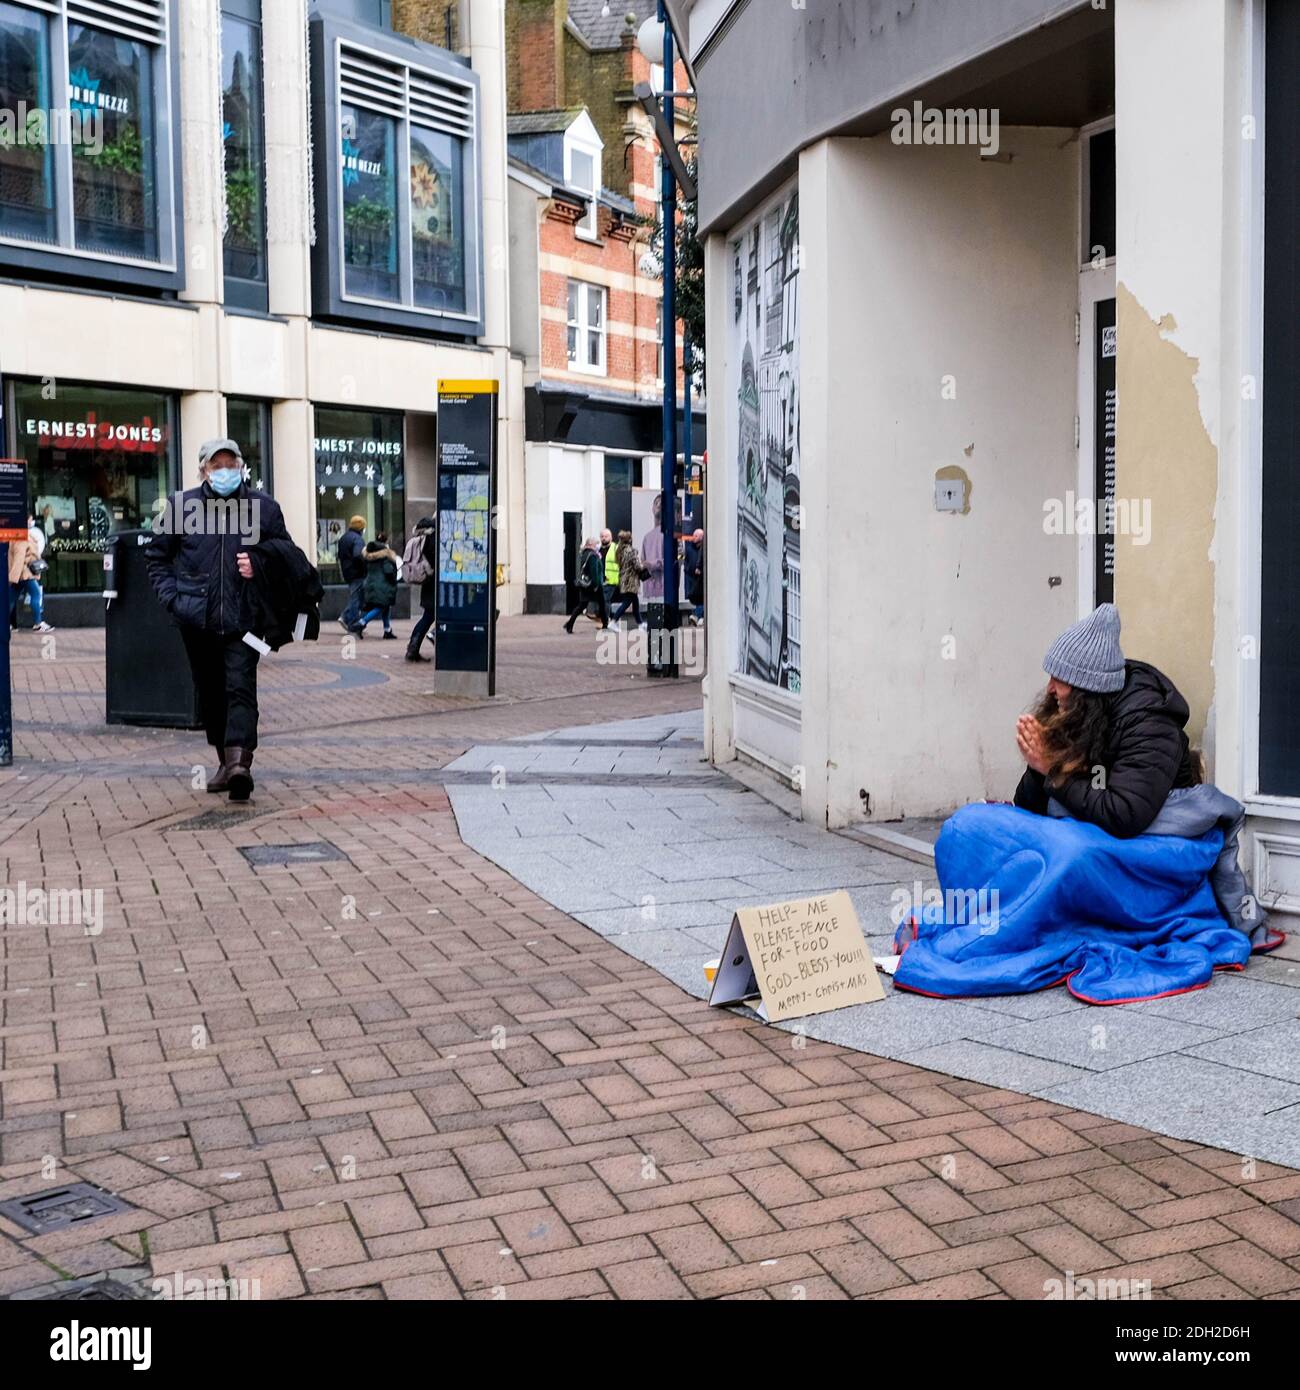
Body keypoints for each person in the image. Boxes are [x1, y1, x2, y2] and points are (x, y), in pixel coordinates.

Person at [145, 437, 293, 801]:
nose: (225, 471)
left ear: (242, 467)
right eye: (217, 465)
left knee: (240, 687)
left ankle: (241, 763)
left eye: (231, 464)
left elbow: (286, 555)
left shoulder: (264, 508)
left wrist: (258, 564)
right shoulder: (180, 507)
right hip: (197, 617)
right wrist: (173, 599)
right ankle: (226, 762)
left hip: (246, 617)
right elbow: (156, 556)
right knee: (211, 693)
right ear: (203, 470)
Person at [1013, 603, 1200, 839]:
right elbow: (1025, 808)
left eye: (1059, 679)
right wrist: (1041, 762)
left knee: (1068, 852)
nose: (1050, 689)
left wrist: (1053, 771)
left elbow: (1125, 815)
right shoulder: (1079, 715)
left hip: (1159, 842)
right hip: (1095, 834)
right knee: (974, 824)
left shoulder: (1150, 725)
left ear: (1086, 689)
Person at [9, 515, 53, 633]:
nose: (31, 522)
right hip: (25, 573)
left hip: (22, 573)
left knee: (11, 599)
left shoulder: (22, 535)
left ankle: (5, 623)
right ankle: (38, 623)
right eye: (29, 519)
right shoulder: (21, 537)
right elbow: (19, 556)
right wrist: (15, 575)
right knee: (36, 594)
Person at [404, 516, 438, 662]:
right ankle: (432, 637)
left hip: (426, 581)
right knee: (432, 615)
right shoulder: (433, 538)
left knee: (428, 616)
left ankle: (413, 647)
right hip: (435, 581)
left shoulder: (419, 536)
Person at [353, 535, 398, 639]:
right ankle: (361, 623)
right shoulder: (385, 558)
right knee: (381, 606)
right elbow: (388, 571)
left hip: (370, 584)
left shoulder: (369, 558)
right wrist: (393, 579)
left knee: (385, 606)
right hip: (383, 585)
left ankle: (387, 630)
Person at [564, 537, 608, 632]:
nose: (598, 546)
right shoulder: (592, 556)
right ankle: (605, 625)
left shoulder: (585, 554)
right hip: (594, 585)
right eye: (596, 544)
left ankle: (570, 624)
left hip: (586, 584)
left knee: (582, 605)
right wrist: (596, 585)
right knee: (602, 604)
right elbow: (594, 571)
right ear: (591, 544)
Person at [336, 515, 367, 633]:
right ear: (361, 527)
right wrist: (364, 566)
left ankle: (350, 619)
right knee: (356, 598)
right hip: (357, 572)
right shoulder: (357, 539)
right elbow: (358, 555)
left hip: (347, 571)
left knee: (357, 596)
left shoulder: (344, 537)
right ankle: (349, 620)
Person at [609, 531, 645, 627]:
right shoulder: (631, 551)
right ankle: (613, 621)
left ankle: (640, 624)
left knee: (635, 603)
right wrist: (644, 566)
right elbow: (637, 566)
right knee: (626, 603)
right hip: (631, 581)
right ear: (629, 540)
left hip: (623, 580)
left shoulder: (619, 551)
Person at [684, 527, 705, 626]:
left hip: (700, 578)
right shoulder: (689, 549)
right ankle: (699, 616)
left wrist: (699, 568)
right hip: (692, 577)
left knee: (701, 597)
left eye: (696, 536)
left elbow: (700, 560)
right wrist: (687, 570)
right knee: (695, 597)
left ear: (701, 537)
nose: (693, 537)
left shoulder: (703, 548)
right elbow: (686, 560)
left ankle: (698, 616)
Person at [600, 527, 619, 615]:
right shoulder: (599, 550)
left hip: (612, 580)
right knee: (604, 601)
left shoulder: (616, 548)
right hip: (601, 580)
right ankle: (610, 619)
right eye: (602, 536)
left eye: (606, 536)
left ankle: (607, 620)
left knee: (605, 600)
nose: (604, 538)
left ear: (611, 537)